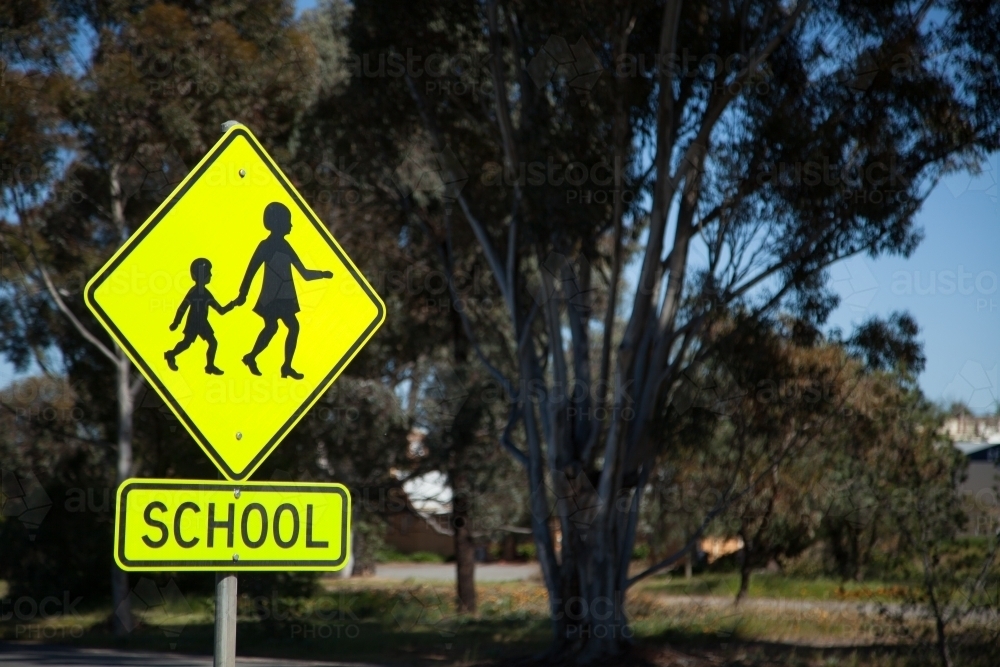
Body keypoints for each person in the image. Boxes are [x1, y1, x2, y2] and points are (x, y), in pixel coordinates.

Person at [229, 201, 333, 379]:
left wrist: (322, 274)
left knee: (288, 327)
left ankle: (279, 365)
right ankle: (254, 358)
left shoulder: (286, 246)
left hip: (285, 296)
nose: (291, 225)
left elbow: (305, 273)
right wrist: (243, 293)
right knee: (275, 327)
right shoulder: (266, 245)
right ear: (277, 223)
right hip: (272, 297)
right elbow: (251, 269)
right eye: (287, 221)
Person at [165, 258, 232, 375]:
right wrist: (176, 323)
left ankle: (210, 366)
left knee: (213, 342)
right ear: (201, 274)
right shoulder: (194, 292)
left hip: (203, 323)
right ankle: (170, 355)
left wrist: (234, 304)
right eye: (208, 272)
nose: (211, 275)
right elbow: (183, 307)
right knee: (186, 343)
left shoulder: (206, 293)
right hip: (193, 323)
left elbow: (220, 310)